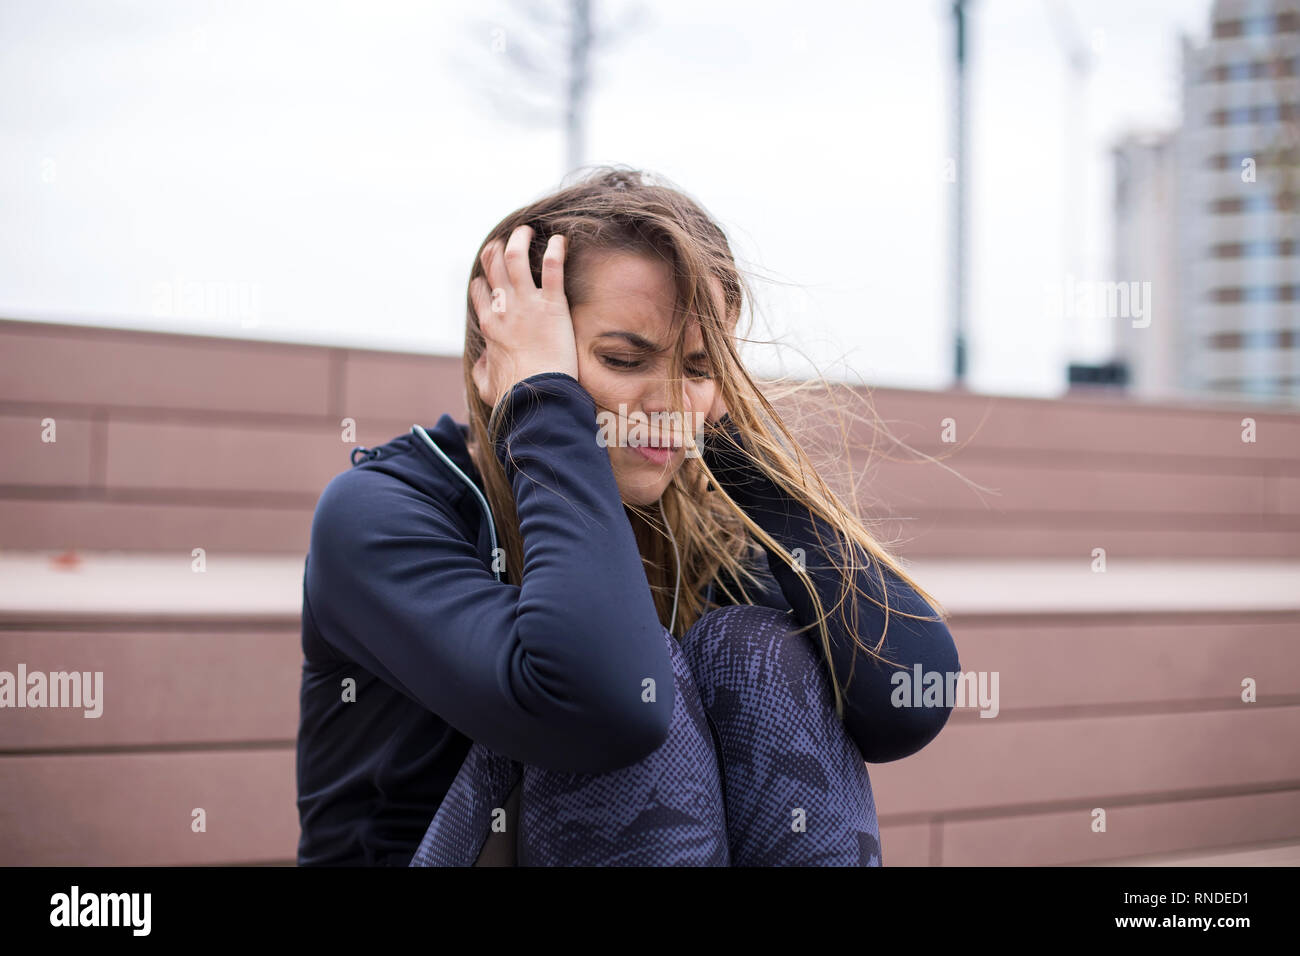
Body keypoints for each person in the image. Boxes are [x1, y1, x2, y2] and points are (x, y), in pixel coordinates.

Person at [295, 166, 960, 866]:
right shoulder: (382, 514)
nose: (672, 402)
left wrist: (736, 454)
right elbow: (602, 701)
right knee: (640, 676)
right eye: (622, 357)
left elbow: (906, 702)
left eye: (700, 368)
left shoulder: (701, 522)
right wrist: (544, 410)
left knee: (755, 648)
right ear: (510, 354)